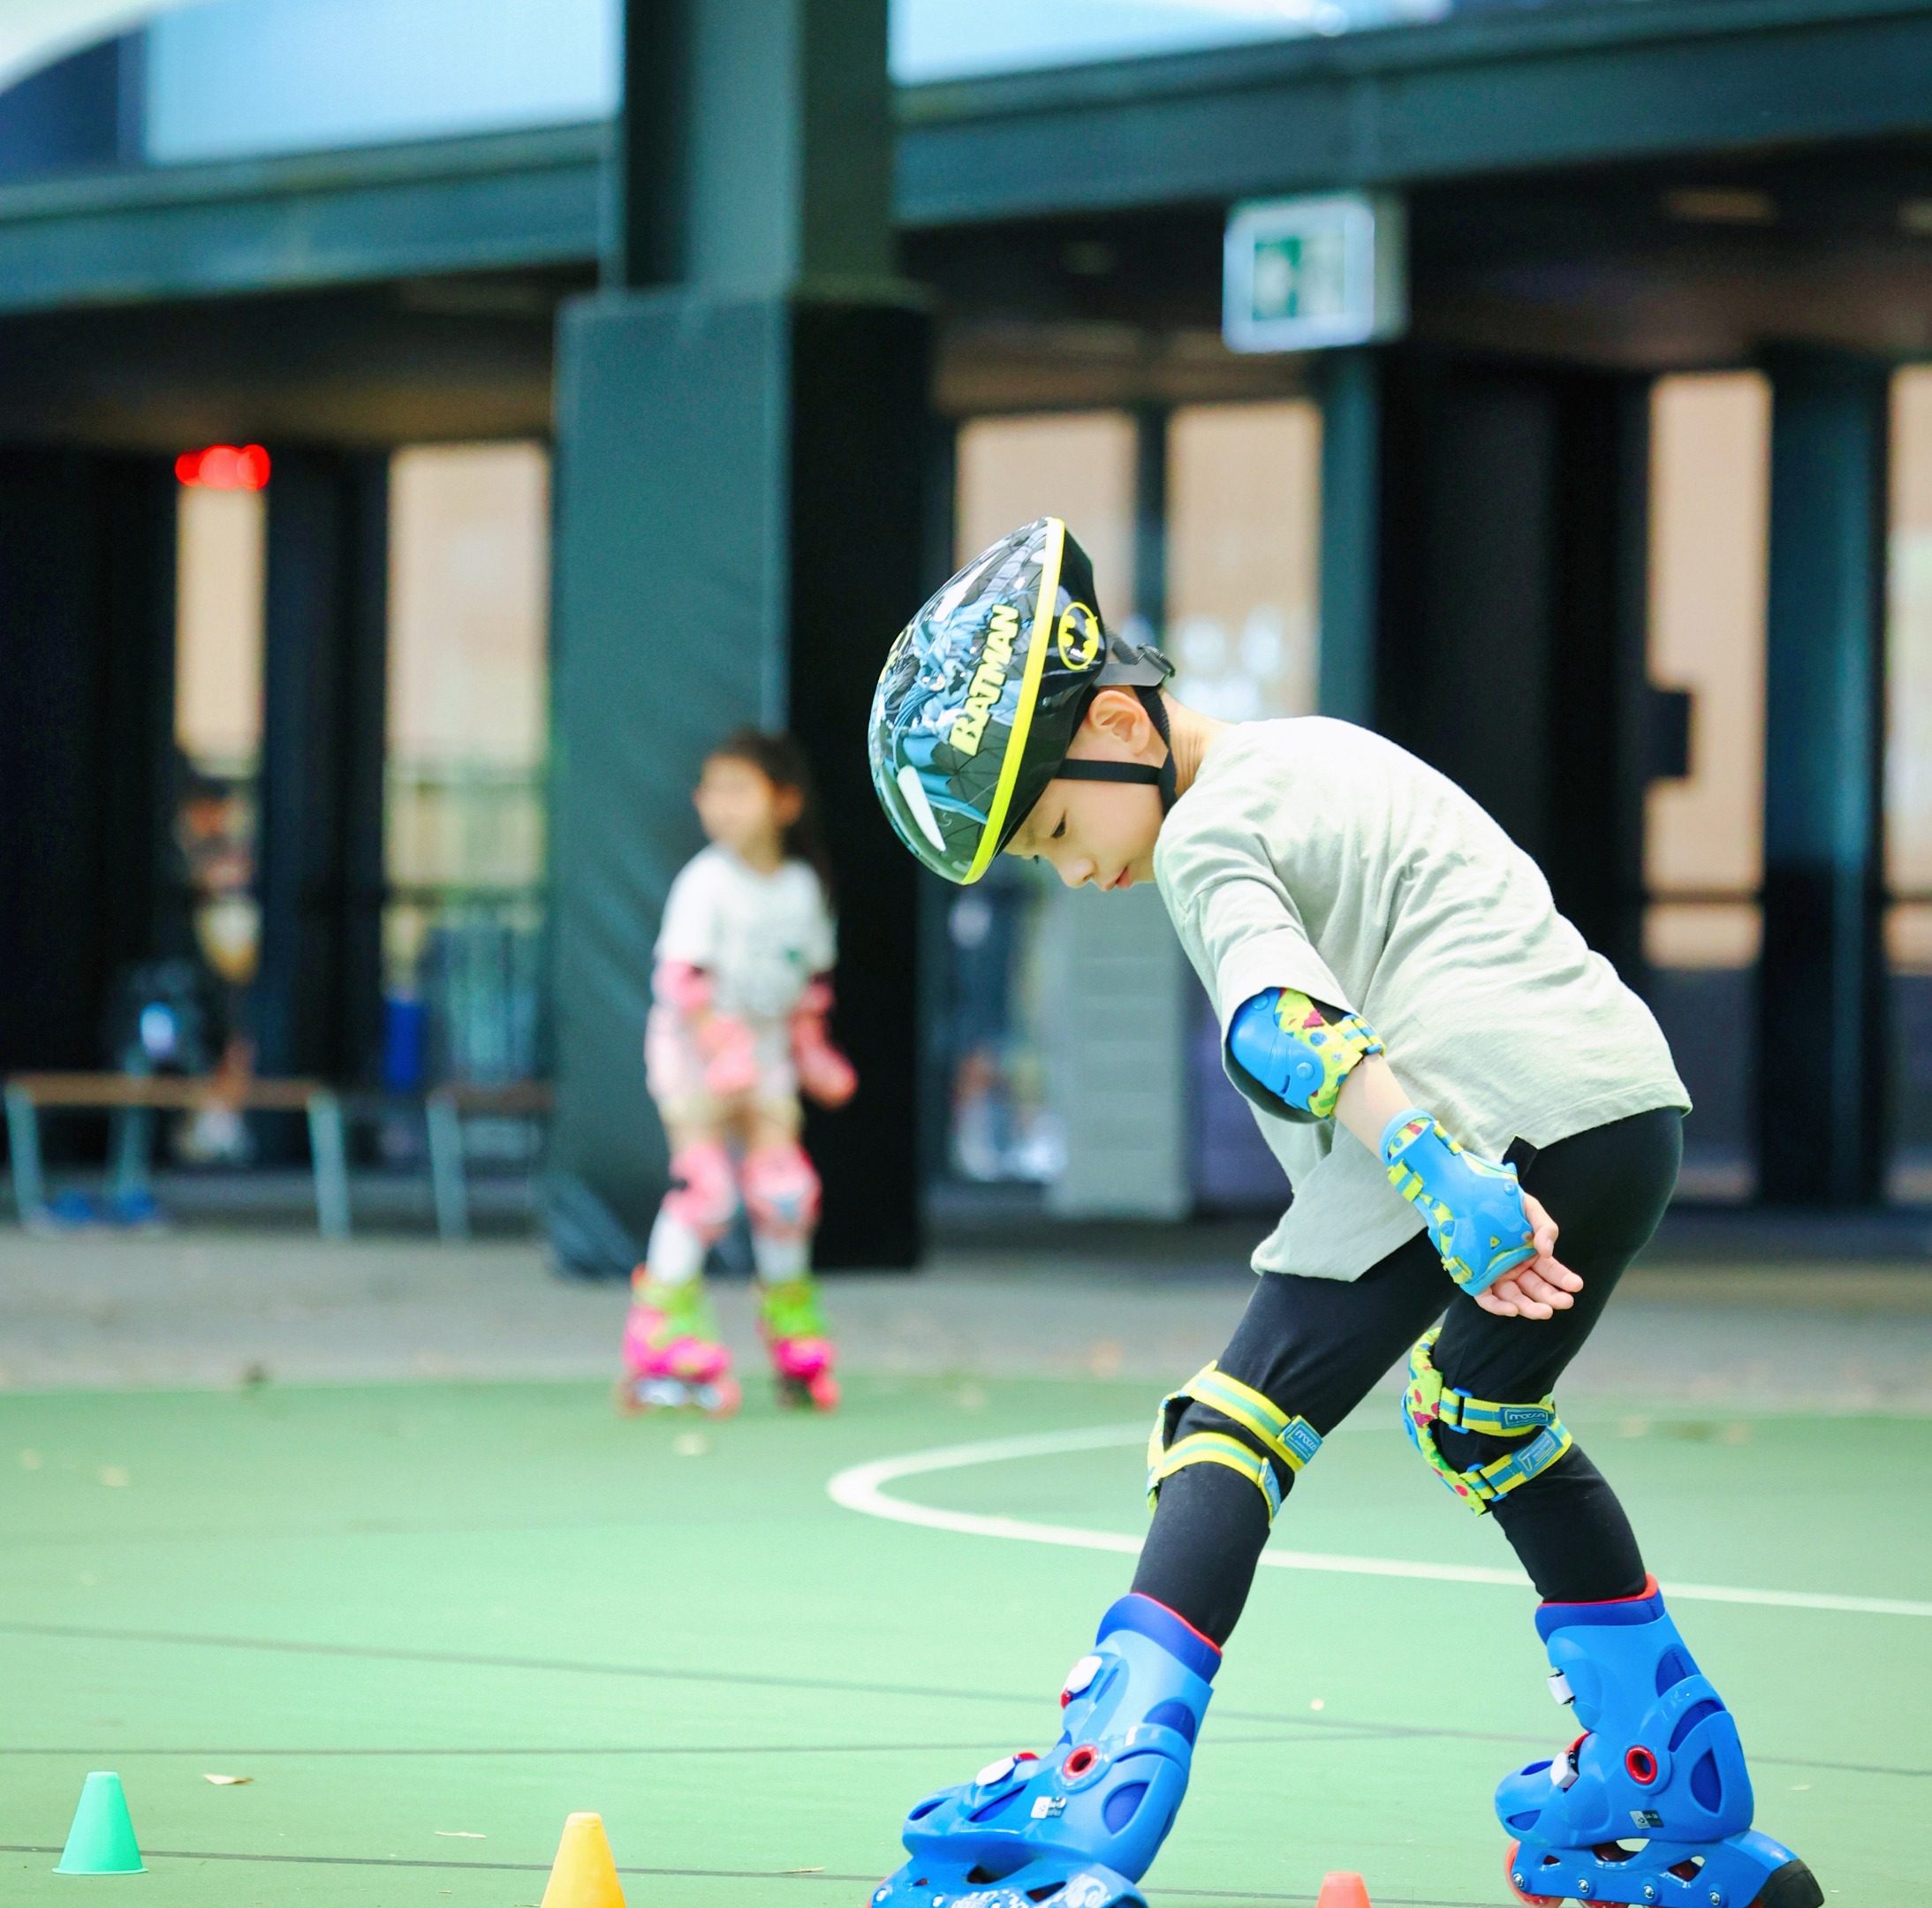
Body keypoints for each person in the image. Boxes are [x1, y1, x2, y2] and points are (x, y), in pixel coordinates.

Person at [860, 519, 1820, 1908]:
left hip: (1468, 1122)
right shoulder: (1313, 748)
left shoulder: (1201, 834)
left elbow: (1280, 1021)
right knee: (1475, 1416)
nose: (1069, 872)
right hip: (1622, 1108)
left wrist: (1436, 1168)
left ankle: (1088, 1811)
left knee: (1227, 1427)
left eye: (1059, 828)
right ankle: (1663, 1779)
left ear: (1121, 720)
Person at [617, 730, 856, 1417]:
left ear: (784, 801)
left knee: (784, 1197)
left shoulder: (802, 886)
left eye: (737, 789)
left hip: (767, 1055)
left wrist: (809, 1051)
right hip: (694, 1058)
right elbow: (683, 979)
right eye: (710, 790)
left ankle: (793, 1335)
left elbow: (807, 982)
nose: (718, 805)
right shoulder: (706, 881)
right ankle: (658, 1340)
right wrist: (719, 1048)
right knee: (708, 1192)